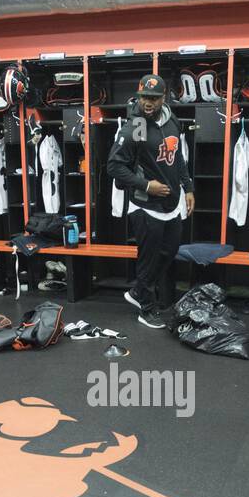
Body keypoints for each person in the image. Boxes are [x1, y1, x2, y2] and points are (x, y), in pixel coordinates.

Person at [106, 74, 194, 328]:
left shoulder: (171, 119)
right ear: (139, 95)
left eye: (154, 98)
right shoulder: (139, 125)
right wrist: (146, 185)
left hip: (170, 203)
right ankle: (146, 307)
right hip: (145, 204)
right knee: (149, 258)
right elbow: (114, 166)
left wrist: (187, 187)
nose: (149, 103)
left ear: (163, 98)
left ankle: (137, 292)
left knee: (170, 250)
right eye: (145, 97)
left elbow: (177, 158)